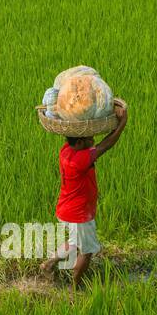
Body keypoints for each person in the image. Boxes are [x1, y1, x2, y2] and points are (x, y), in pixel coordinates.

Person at [41, 98, 127, 291]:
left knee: (75, 242)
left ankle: (48, 265)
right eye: (89, 138)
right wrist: (121, 124)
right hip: (78, 213)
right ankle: (74, 287)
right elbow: (106, 145)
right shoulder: (80, 160)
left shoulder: (66, 150)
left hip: (67, 208)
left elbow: (97, 145)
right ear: (79, 142)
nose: (93, 140)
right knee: (87, 251)